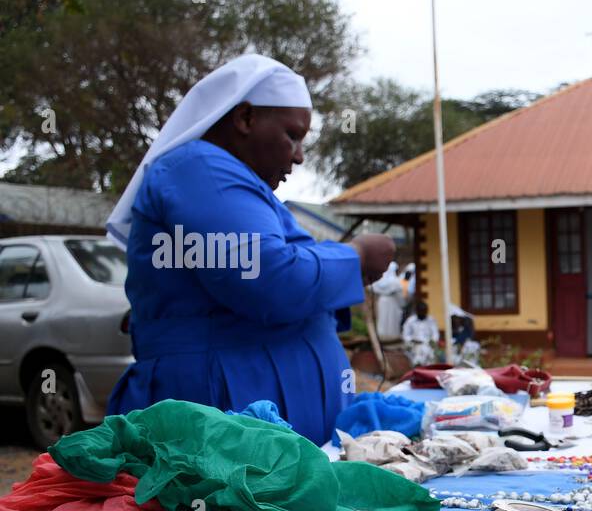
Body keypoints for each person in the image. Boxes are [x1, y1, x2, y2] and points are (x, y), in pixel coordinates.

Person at [105, 54, 393, 446]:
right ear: (244, 119)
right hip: (219, 405)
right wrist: (355, 256)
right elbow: (272, 278)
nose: (299, 155)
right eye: (292, 135)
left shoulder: (239, 186)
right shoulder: (198, 169)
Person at [370, 260, 407, 340]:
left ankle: (382, 336)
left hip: (382, 301)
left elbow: (373, 288)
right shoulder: (396, 281)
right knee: (392, 320)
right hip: (393, 302)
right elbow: (399, 294)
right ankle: (393, 337)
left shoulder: (380, 281)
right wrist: (403, 304)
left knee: (383, 319)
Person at [401, 300, 441, 367]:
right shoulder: (410, 321)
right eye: (421, 311)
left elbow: (435, 334)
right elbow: (405, 335)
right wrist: (412, 340)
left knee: (430, 360)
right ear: (417, 311)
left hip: (428, 345)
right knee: (415, 361)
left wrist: (433, 341)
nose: (423, 313)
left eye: (424, 311)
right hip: (414, 345)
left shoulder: (431, 320)